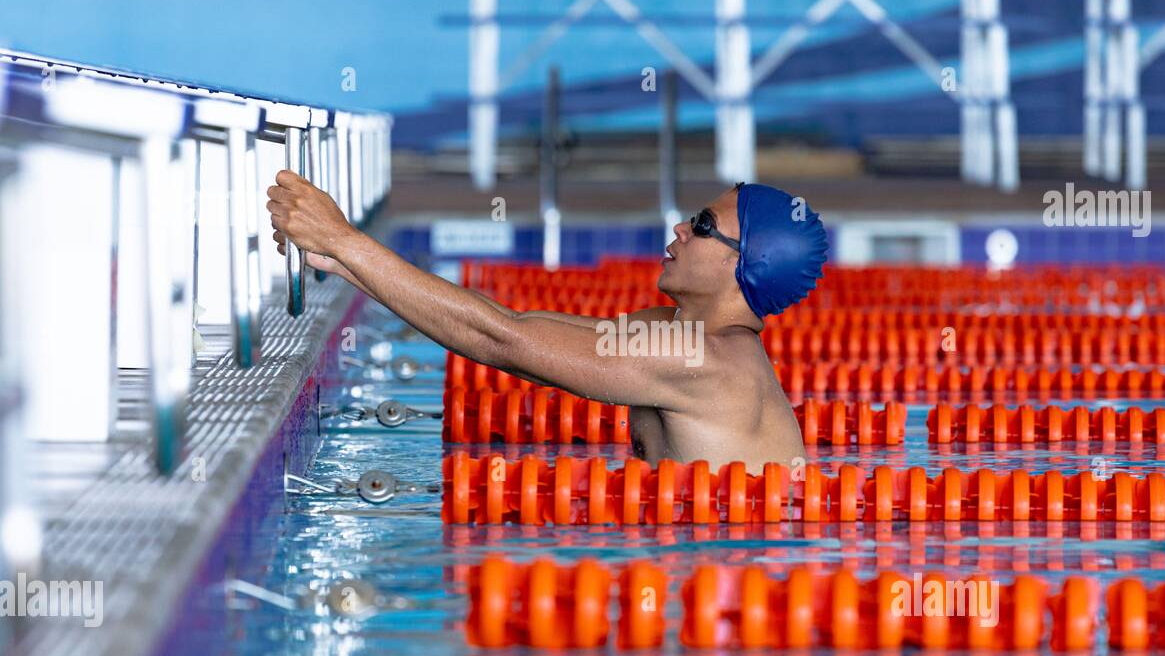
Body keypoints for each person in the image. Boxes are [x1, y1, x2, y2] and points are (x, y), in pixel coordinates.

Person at [267, 174, 827, 472]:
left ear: (743, 263)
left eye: (703, 225)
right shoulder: (677, 335)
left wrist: (346, 238)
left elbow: (501, 339)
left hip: (733, 596)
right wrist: (338, 258)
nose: (680, 226)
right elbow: (524, 327)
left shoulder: (703, 360)